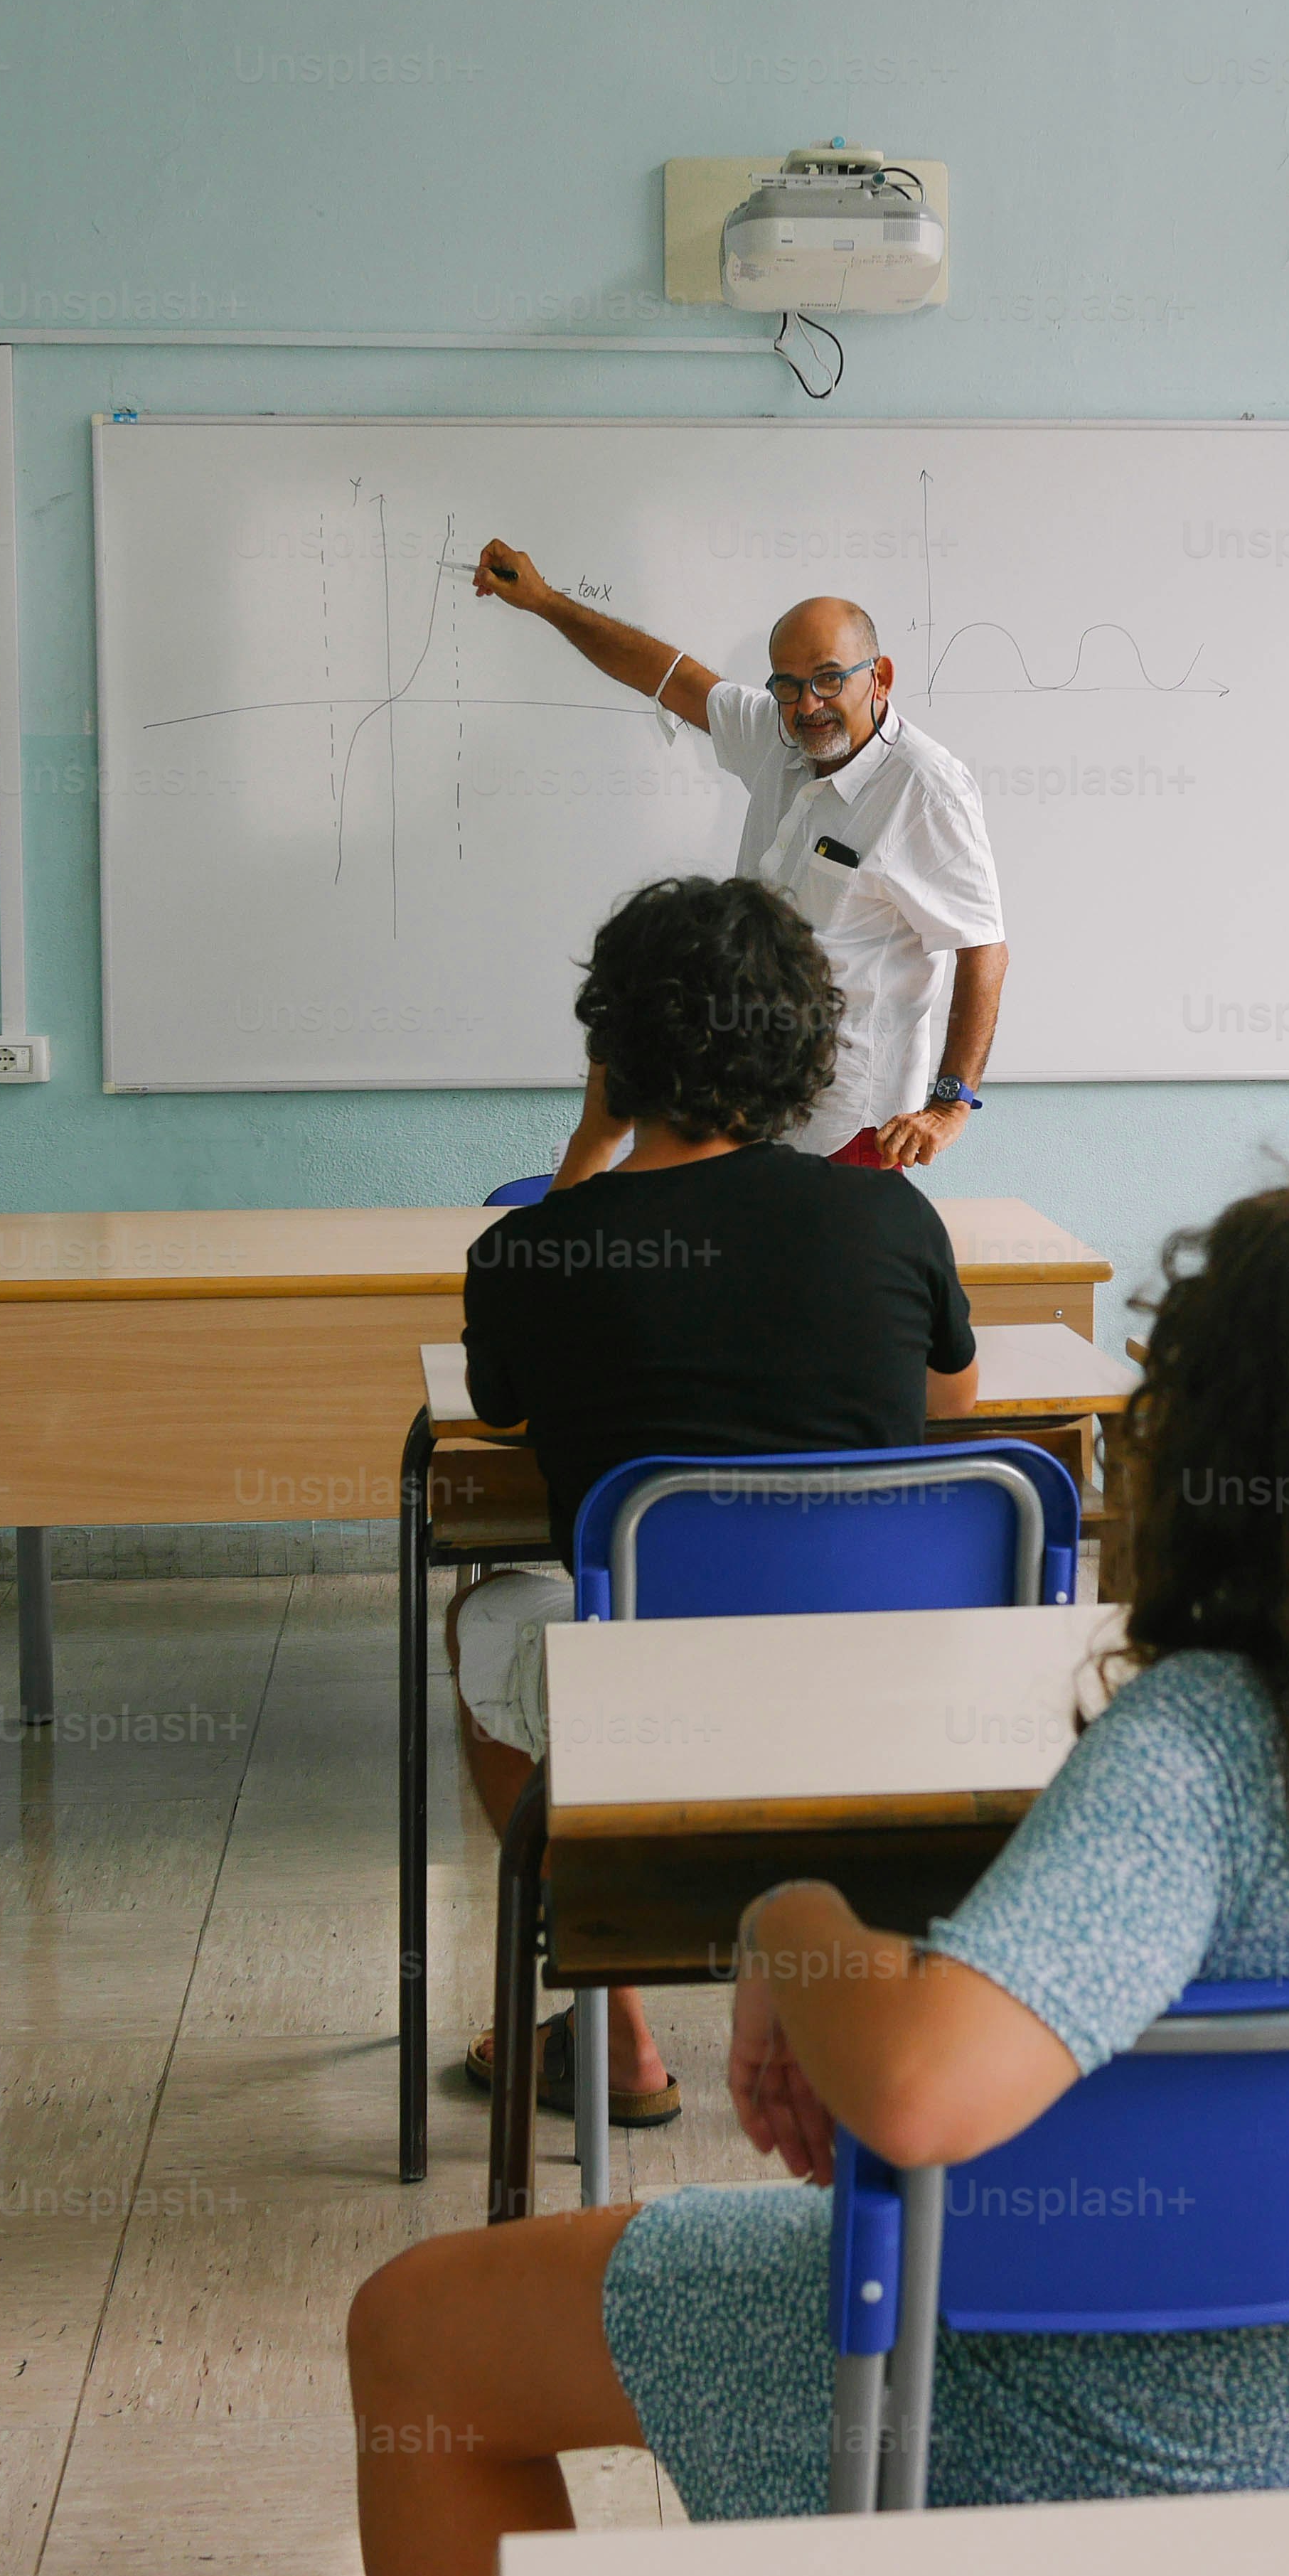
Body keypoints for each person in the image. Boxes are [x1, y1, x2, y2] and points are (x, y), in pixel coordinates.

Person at [349, 1165, 1289, 2576]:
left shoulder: (1212, 1741)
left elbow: (914, 2090)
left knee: (418, 2330)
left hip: (1046, 2412)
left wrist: (786, 1922)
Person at [450, 871, 980, 2125]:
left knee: (483, 1614)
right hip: (890, 1704)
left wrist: (585, 1149)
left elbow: (507, 1420)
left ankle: (616, 2030)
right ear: (805, 1042)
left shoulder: (531, 1257)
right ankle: (878, 1985)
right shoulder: (886, 1217)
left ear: (611, 1050)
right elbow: (947, 1433)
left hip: (656, 1709)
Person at [473, 539, 1005, 1172]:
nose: (807, 705)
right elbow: (667, 674)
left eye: (829, 678)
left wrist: (951, 1103)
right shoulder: (776, 731)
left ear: (880, 677)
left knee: (821, 1271)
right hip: (745, 1102)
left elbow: (983, 946)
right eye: (787, 684)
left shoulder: (926, 789)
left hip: (851, 1125)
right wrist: (543, 602)